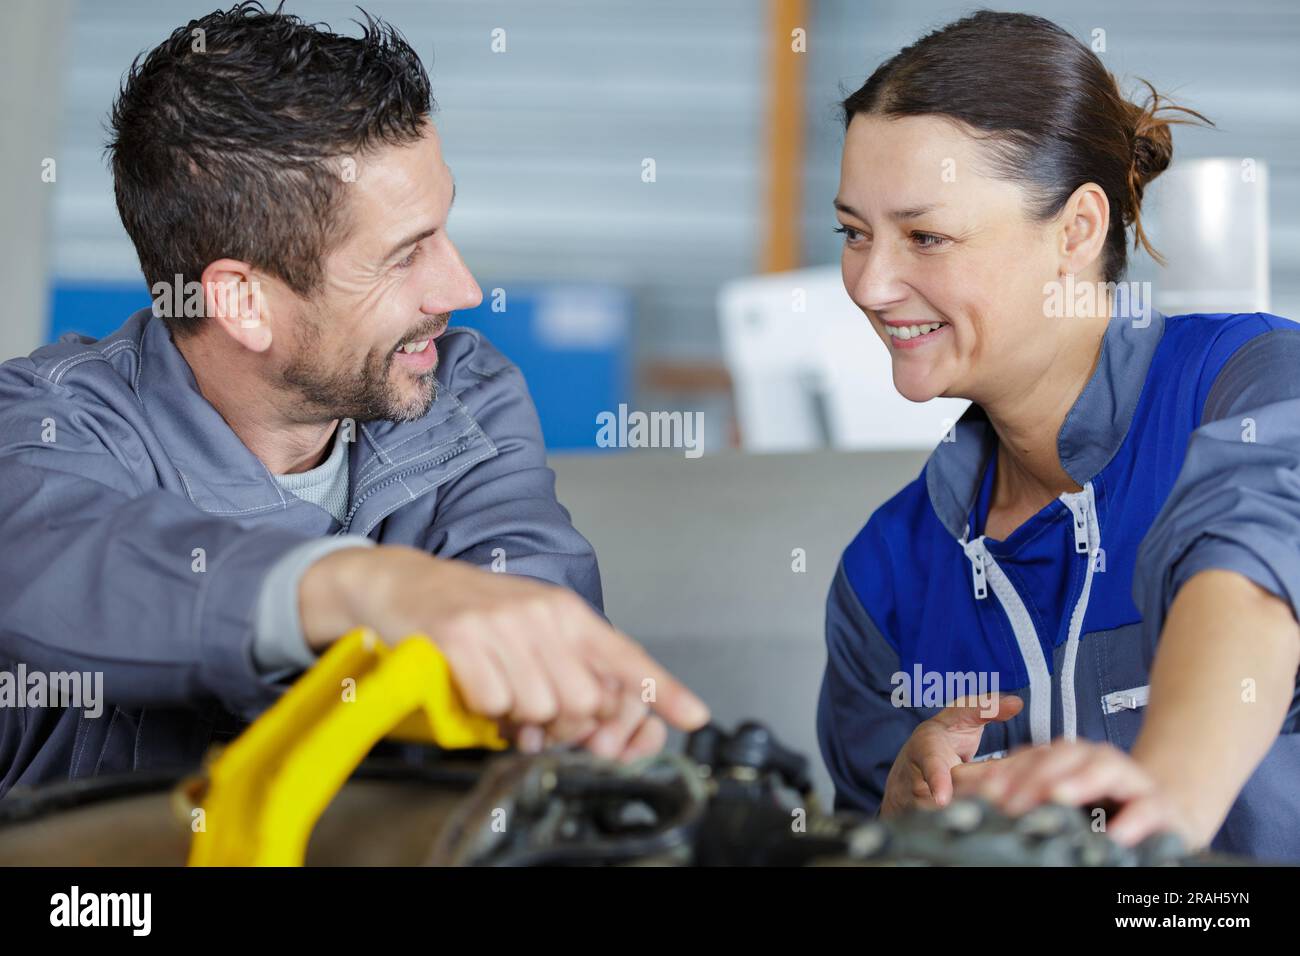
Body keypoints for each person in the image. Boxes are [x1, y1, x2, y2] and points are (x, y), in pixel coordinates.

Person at [0, 2, 708, 796]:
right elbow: (58, 568)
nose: (463, 287)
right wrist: (363, 587)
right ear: (243, 304)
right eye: (405, 257)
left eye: (443, 231)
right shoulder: (44, 427)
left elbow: (529, 609)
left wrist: (560, 702)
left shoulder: (461, 392)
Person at [817, 10, 1300, 861]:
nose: (872, 284)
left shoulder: (1248, 384)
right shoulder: (883, 575)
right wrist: (893, 824)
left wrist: (1165, 801)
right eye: (854, 234)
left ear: (1078, 229)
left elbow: (1254, 569)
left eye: (926, 236)